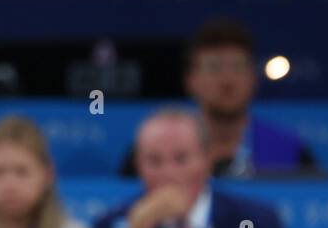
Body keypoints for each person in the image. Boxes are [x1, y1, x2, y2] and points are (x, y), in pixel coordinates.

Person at [92, 109, 296, 228]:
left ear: (208, 159)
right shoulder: (111, 225)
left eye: (181, 159)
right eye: (154, 161)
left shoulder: (255, 223)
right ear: (138, 166)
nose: (168, 173)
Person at [119, 19, 317, 178]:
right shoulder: (152, 153)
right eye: (214, 68)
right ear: (190, 80)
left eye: (237, 67)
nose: (227, 80)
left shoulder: (291, 152)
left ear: (253, 79)